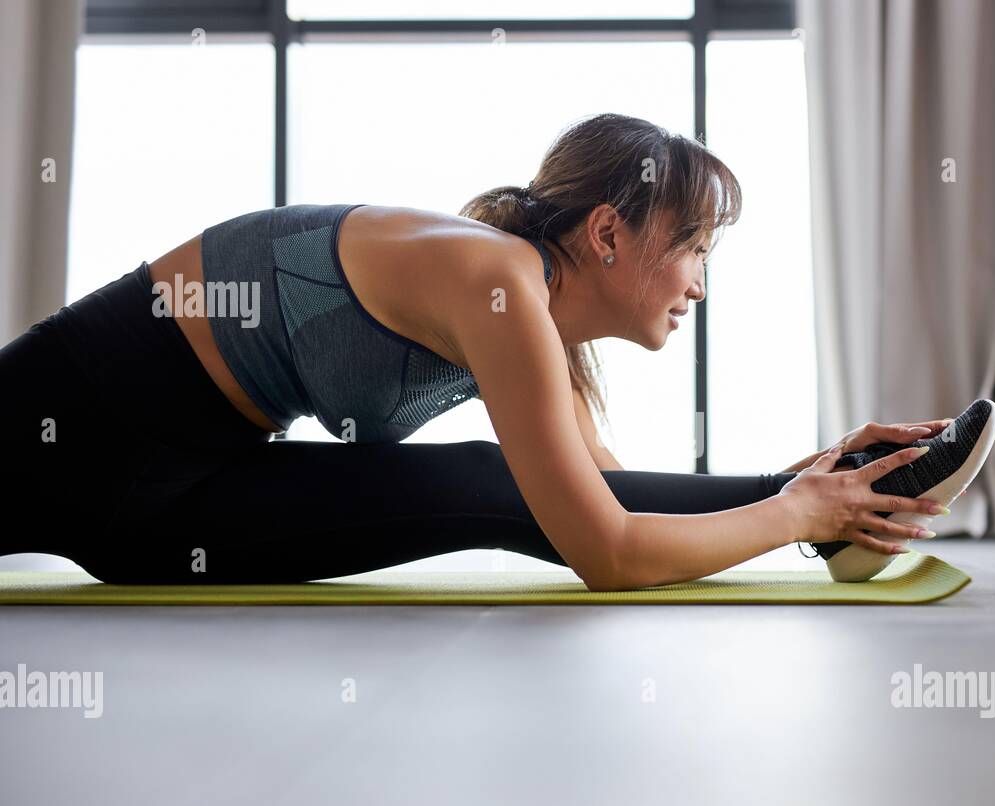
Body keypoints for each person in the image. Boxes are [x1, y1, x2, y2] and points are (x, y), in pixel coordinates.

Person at [0, 113, 946, 588]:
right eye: (694, 246)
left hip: (186, 496)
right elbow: (607, 553)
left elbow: (599, 497)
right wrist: (788, 516)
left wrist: (814, 483)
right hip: (60, 431)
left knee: (497, 489)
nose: (700, 281)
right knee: (491, 487)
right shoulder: (494, 281)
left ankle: (846, 497)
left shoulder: (534, 310)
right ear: (611, 234)